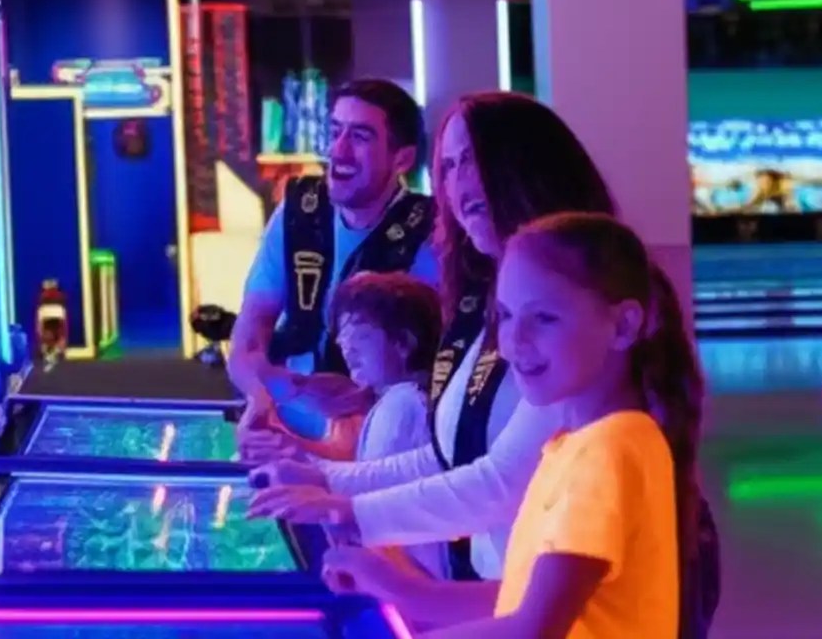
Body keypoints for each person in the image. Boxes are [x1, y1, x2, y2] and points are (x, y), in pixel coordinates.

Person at [247, 92, 618, 592]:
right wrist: (323, 478)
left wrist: (353, 513)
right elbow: (447, 454)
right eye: (448, 166)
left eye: (473, 159)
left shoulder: (585, 299)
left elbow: (501, 482)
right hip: (501, 586)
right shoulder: (480, 300)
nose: (460, 182)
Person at [328, 212, 704, 639]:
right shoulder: (570, 446)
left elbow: (533, 629)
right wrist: (401, 588)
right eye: (505, 315)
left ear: (623, 324)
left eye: (544, 317)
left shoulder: (612, 448)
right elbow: (523, 600)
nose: (514, 340)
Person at [228, 79, 440, 455]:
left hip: (373, 442)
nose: (339, 150)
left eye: (360, 136)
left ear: (402, 159)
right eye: (335, 131)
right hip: (279, 421)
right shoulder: (297, 210)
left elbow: (428, 369)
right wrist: (260, 397)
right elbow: (250, 331)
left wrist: (360, 397)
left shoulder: (429, 230)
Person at [257, 270, 449, 578]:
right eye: (342, 336)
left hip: (411, 575)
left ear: (404, 342)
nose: (346, 347)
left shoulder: (402, 404)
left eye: (359, 334)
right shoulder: (396, 401)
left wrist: (309, 471)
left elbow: (376, 493)